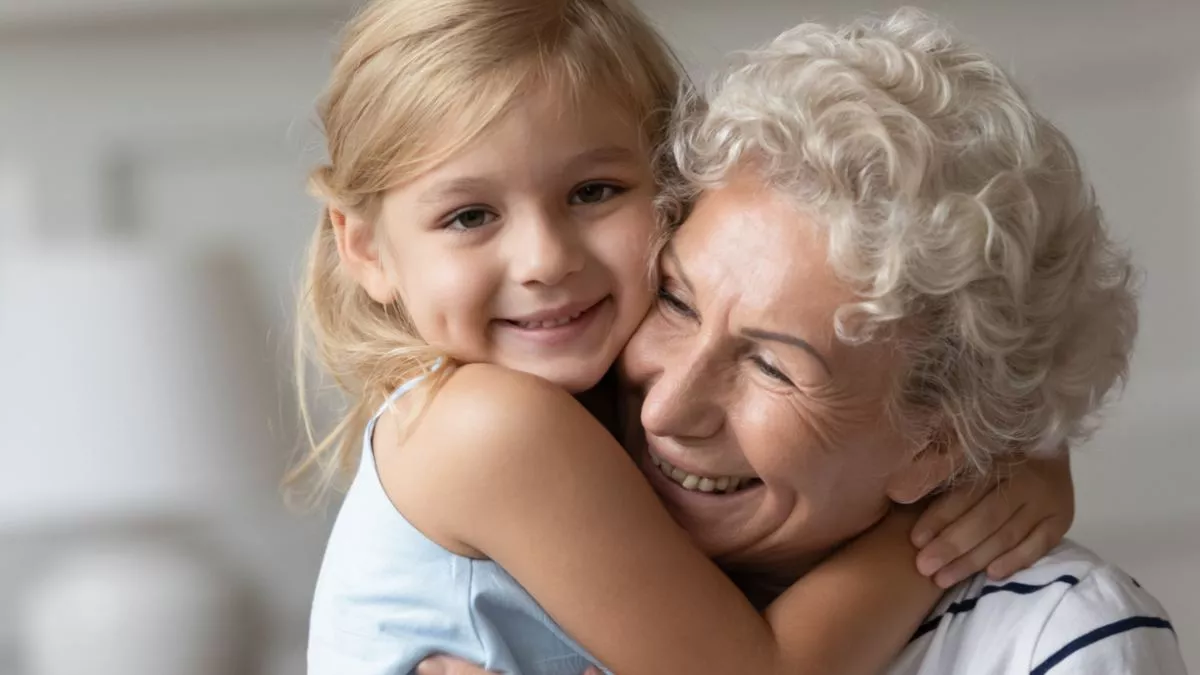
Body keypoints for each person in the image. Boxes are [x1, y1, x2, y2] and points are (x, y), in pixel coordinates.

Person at [293, 2, 1078, 674]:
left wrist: (1001, 442)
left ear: (671, 187)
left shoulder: (575, 411)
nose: (545, 260)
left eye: (593, 191)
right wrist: (960, 503)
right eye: (470, 216)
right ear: (363, 248)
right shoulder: (492, 424)